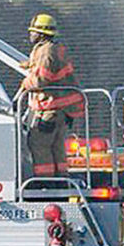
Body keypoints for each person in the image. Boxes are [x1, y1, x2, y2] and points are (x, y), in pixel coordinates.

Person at [19, 13, 84, 178]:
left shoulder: (46, 52)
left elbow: (41, 79)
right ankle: (61, 178)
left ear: (41, 34)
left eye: (33, 31)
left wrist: (25, 84)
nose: (30, 35)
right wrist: (29, 65)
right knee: (56, 145)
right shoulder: (53, 48)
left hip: (51, 108)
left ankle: (45, 179)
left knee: (39, 144)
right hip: (62, 109)